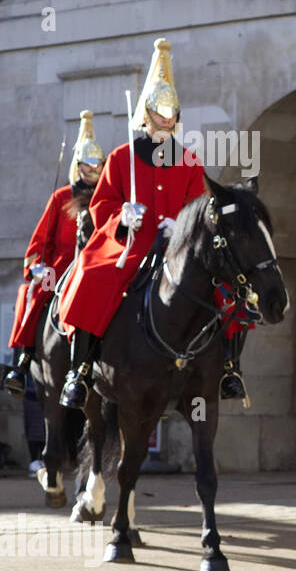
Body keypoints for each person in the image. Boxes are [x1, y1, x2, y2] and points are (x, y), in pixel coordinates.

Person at [56, 37, 249, 409]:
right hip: (131, 245)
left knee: (231, 289)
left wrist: (181, 225)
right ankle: (78, 372)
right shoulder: (121, 156)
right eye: (160, 113)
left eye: (172, 113)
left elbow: (201, 206)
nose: (167, 119)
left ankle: (229, 367)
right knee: (89, 279)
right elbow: (103, 204)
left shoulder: (189, 161)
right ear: (147, 114)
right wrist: (122, 217)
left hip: (177, 247)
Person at [4, 110, 103, 396]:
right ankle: (22, 360)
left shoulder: (105, 197)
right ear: (79, 165)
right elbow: (39, 242)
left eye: (98, 165)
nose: (93, 171)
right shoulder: (61, 198)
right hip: (59, 266)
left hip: (94, 264)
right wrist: (36, 267)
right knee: (33, 293)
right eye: (88, 164)